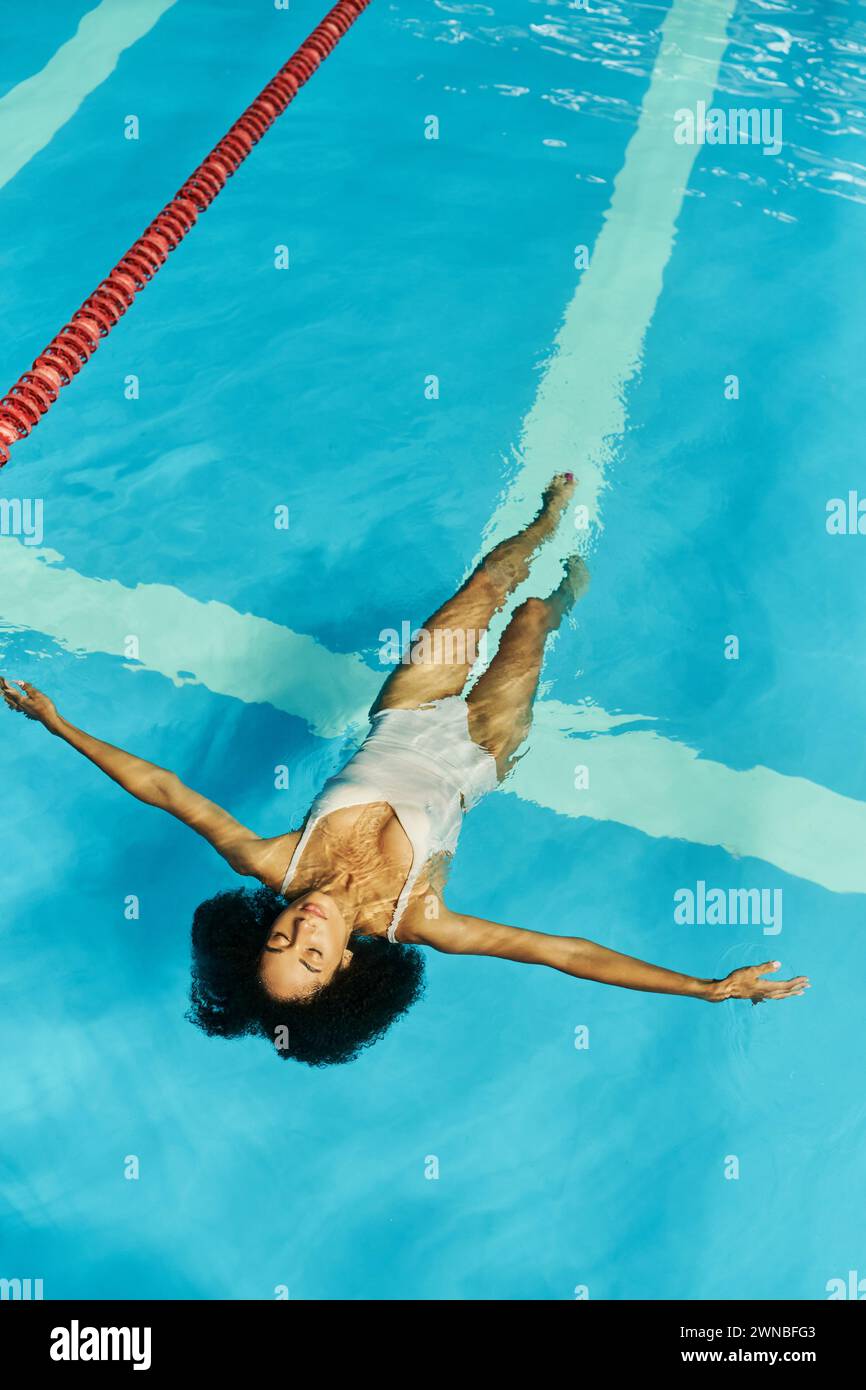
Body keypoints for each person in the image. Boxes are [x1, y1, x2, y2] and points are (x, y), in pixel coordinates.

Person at [1, 475, 808, 1066]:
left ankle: (545, 519)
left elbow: (167, 792)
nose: (306, 927)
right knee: (529, 623)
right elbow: (564, 953)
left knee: (486, 590)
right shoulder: (418, 919)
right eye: (313, 953)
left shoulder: (276, 861)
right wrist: (704, 988)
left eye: (283, 936)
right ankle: (568, 587)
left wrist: (58, 721)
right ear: (345, 968)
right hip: (482, 753)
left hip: (410, 707)